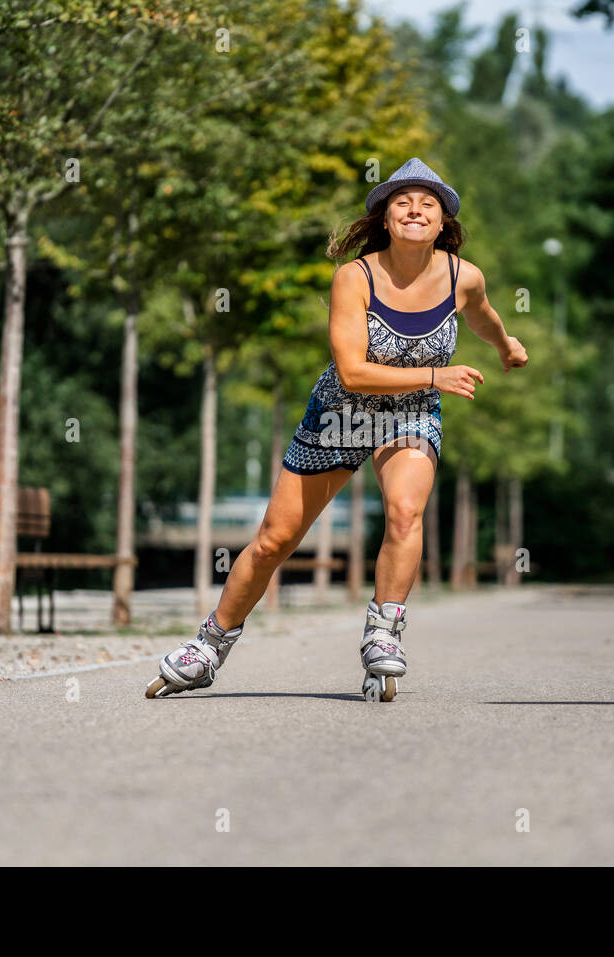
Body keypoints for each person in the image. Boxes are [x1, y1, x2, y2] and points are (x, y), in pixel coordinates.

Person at [145, 157, 527, 702]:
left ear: (444, 223)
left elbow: (483, 313)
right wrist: (438, 374)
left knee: (404, 511)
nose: (416, 209)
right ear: (384, 218)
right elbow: (352, 370)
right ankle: (210, 645)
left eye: (429, 204)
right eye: (402, 201)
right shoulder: (356, 277)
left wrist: (505, 343)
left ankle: (383, 634)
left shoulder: (463, 276)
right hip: (342, 411)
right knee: (275, 540)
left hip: (411, 411)